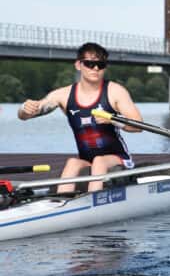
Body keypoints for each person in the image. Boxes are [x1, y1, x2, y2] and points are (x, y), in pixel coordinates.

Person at [18, 42, 142, 193]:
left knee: (99, 161)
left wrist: (114, 120)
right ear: (78, 65)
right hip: (87, 161)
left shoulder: (115, 91)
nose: (95, 68)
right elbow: (25, 115)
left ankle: (93, 198)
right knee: (72, 163)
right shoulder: (63, 95)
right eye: (89, 64)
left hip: (118, 158)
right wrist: (24, 108)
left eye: (100, 64)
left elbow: (138, 126)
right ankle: (62, 201)